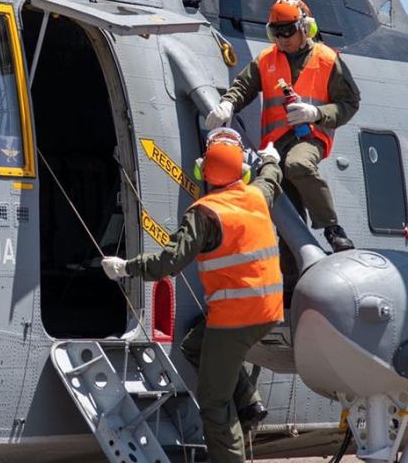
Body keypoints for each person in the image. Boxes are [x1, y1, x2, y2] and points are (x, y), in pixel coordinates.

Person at [102, 128, 284, 463]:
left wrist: (125, 267)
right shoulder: (257, 195)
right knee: (193, 345)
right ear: (243, 171)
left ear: (201, 172)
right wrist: (271, 160)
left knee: (214, 403)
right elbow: (270, 179)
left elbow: (166, 263)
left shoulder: (204, 214)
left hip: (234, 321)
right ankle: (248, 401)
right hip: (267, 313)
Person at [205, 0, 360, 252]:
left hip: (309, 135)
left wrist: (316, 113)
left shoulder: (327, 59)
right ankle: (292, 282)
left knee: (298, 164)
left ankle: (332, 228)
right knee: (287, 219)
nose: (282, 39)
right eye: (275, 33)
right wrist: (228, 104)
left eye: (287, 31)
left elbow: (350, 103)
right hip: (275, 143)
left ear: (304, 27)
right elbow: (244, 86)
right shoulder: (267, 59)